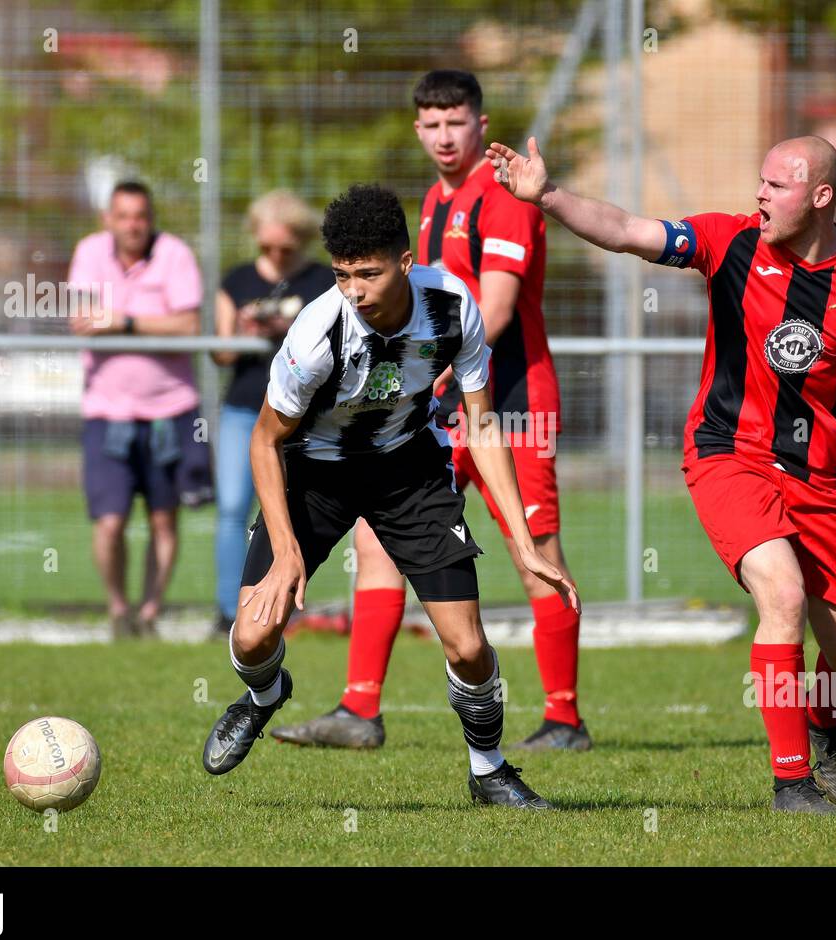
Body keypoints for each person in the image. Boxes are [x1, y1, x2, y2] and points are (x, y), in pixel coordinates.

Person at [485, 133, 836, 814]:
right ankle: (792, 784)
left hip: (816, 472)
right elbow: (626, 230)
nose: (760, 194)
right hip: (728, 454)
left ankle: (820, 722)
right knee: (783, 596)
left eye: (777, 185)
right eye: (760, 180)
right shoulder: (727, 241)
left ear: (822, 196)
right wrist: (548, 196)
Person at [200, 184, 579, 810]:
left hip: (408, 470)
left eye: (369, 274)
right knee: (250, 639)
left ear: (405, 263)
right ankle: (265, 695)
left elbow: (482, 425)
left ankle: (489, 770)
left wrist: (524, 542)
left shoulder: (453, 305)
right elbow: (264, 441)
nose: (354, 290)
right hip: (314, 475)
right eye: (342, 275)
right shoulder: (315, 333)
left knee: (469, 646)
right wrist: (288, 552)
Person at [273, 70, 587, 753]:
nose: (445, 136)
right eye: (433, 124)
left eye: (457, 122)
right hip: (438, 407)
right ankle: (359, 709)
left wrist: (426, 369)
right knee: (376, 537)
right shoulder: (434, 200)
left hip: (508, 403)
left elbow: (493, 309)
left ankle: (564, 719)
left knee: (534, 550)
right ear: (418, 129)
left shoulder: (503, 196)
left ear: (480, 123)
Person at [69, 180, 210, 640]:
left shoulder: (175, 254)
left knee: (164, 519)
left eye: (141, 216)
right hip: (106, 411)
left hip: (171, 410)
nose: (133, 225)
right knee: (109, 522)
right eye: (123, 216)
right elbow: (84, 322)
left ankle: (149, 612)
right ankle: (118, 609)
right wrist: (152, 325)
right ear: (108, 219)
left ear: (151, 219)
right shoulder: (89, 252)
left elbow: (188, 326)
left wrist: (123, 321)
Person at [210, 190, 333, 639]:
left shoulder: (322, 281)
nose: (276, 256)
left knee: (293, 509)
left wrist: (292, 328)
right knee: (231, 508)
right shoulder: (237, 280)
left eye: (286, 247)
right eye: (267, 246)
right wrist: (246, 331)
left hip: (304, 415)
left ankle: (283, 604)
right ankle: (230, 611)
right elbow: (221, 353)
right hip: (245, 408)